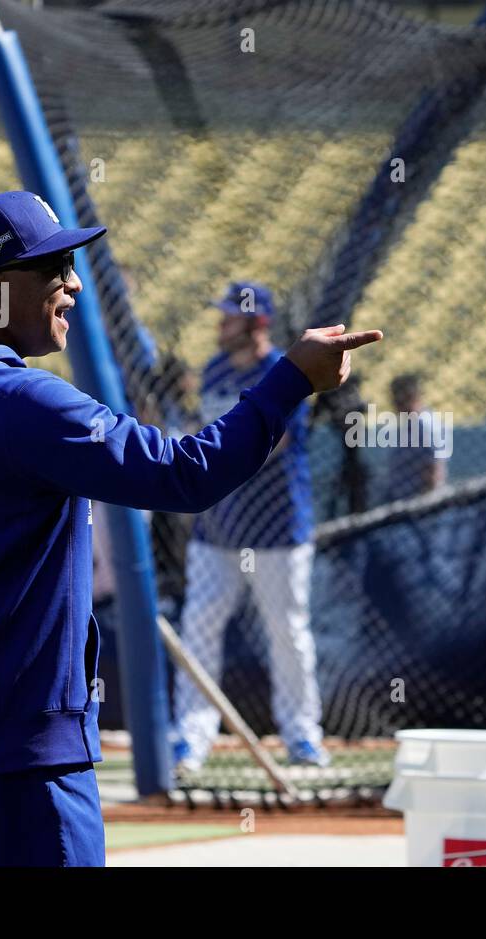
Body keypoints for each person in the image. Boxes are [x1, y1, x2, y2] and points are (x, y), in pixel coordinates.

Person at [0, 192, 380, 866]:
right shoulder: (18, 402)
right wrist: (289, 381)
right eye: (55, 267)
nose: (74, 283)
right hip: (20, 764)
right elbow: (184, 475)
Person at [171, 282, 329, 771]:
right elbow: (204, 434)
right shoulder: (216, 371)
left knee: (287, 633)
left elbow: (272, 444)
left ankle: (302, 735)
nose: (221, 326)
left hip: (278, 530)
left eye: (230, 319)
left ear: (257, 323)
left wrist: (204, 444)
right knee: (199, 631)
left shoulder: (283, 371)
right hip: (216, 529)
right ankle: (191, 739)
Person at [377, 373, 445, 504]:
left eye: (398, 396)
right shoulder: (410, 424)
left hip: (416, 506)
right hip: (401, 502)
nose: (394, 402)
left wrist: (425, 506)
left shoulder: (423, 424)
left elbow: (434, 469)